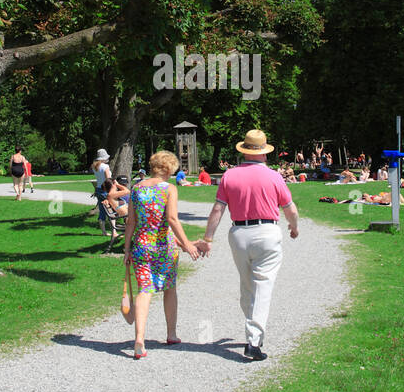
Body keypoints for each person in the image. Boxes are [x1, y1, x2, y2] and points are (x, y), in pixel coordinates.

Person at [194, 129, 299, 362]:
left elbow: (218, 209)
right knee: (263, 285)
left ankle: (253, 329)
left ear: (244, 151)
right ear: (264, 152)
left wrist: (208, 239)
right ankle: (253, 340)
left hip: (239, 232)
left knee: (247, 284)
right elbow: (290, 208)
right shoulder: (274, 176)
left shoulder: (229, 175)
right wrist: (294, 227)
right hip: (268, 232)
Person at [122, 151, 198, 359]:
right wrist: (188, 244)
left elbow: (131, 222)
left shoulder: (136, 188)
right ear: (167, 168)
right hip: (164, 247)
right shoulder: (169, 189)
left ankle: (139, 338)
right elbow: (172, 219)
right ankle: (171, 334)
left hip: (140, 246)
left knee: (144, 290)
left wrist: (127, 249)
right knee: (169, 288)